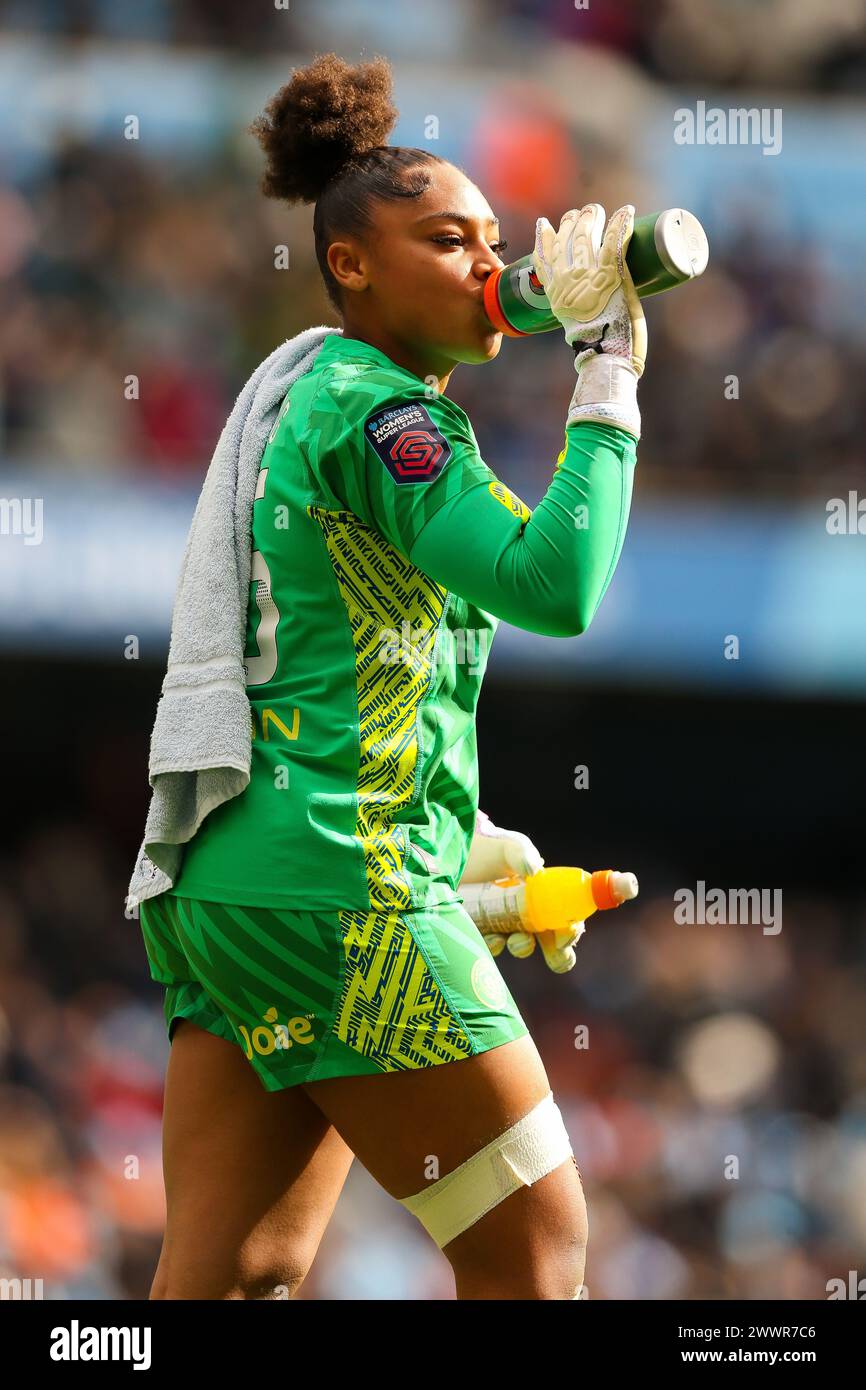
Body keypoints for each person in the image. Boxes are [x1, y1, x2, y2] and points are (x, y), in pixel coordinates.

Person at [139, 51, 646, 1300]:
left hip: (226, 891)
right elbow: (555, 586)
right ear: (351, 266)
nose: (485, 266)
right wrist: (606, 364)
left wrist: (467, 843)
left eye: (490, 241)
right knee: (537, 1257)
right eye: (443, 240)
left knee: (235, 1275)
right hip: (341, 890)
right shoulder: (382, 413)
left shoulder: (309, 393)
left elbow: (335, 676)